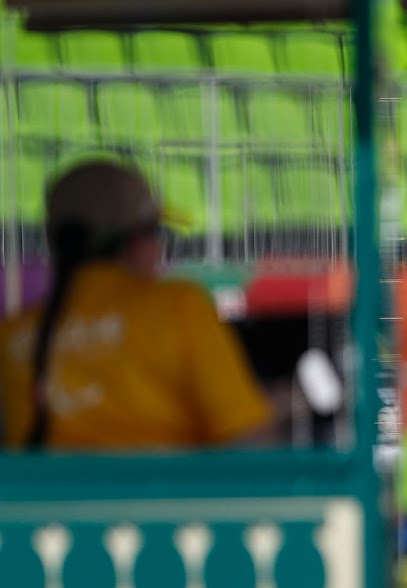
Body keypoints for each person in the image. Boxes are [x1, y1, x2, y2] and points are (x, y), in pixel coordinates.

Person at [1, 158, 274, 450]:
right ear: (136, 239)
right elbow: (248, 440)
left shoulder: (11, 334)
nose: (161, 251)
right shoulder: (180, 307)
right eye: (159, 233)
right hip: (166, 494)